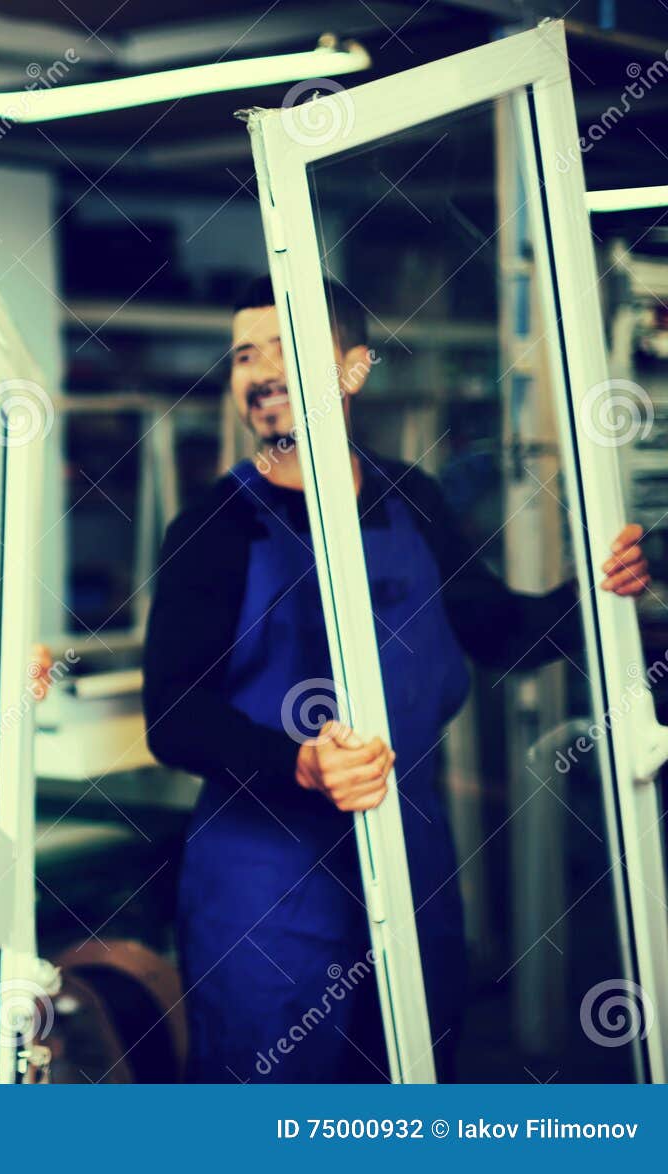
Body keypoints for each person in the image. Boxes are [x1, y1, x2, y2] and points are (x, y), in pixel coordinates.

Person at [142, 275, 651, 1082]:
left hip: (408, 866)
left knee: (407, 1093)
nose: (263, 370)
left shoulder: (410, 499)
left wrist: (597, 588)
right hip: (265, 893)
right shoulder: (212, 527)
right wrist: (298, 761)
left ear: (352, 370)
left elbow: (500, 634)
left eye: (287, 346)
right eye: (245, 354)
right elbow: (172, 715)